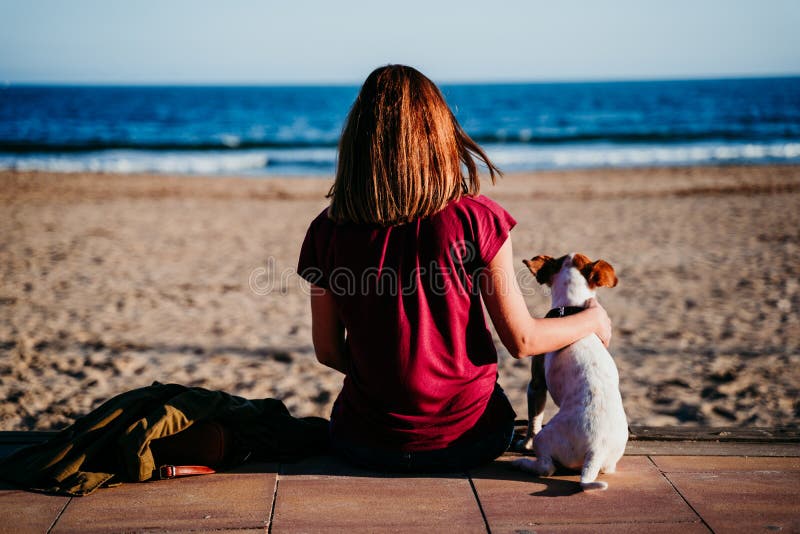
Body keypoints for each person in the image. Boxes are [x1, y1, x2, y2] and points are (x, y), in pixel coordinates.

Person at [297, 65, 612, 473]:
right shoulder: (476, 218)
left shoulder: (327, 229)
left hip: (363, 441)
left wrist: (386, 378)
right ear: (439, 135)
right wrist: (592, 318)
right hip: (468, 439)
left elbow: (327, 351)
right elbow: (522, 340)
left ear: (359, 142)